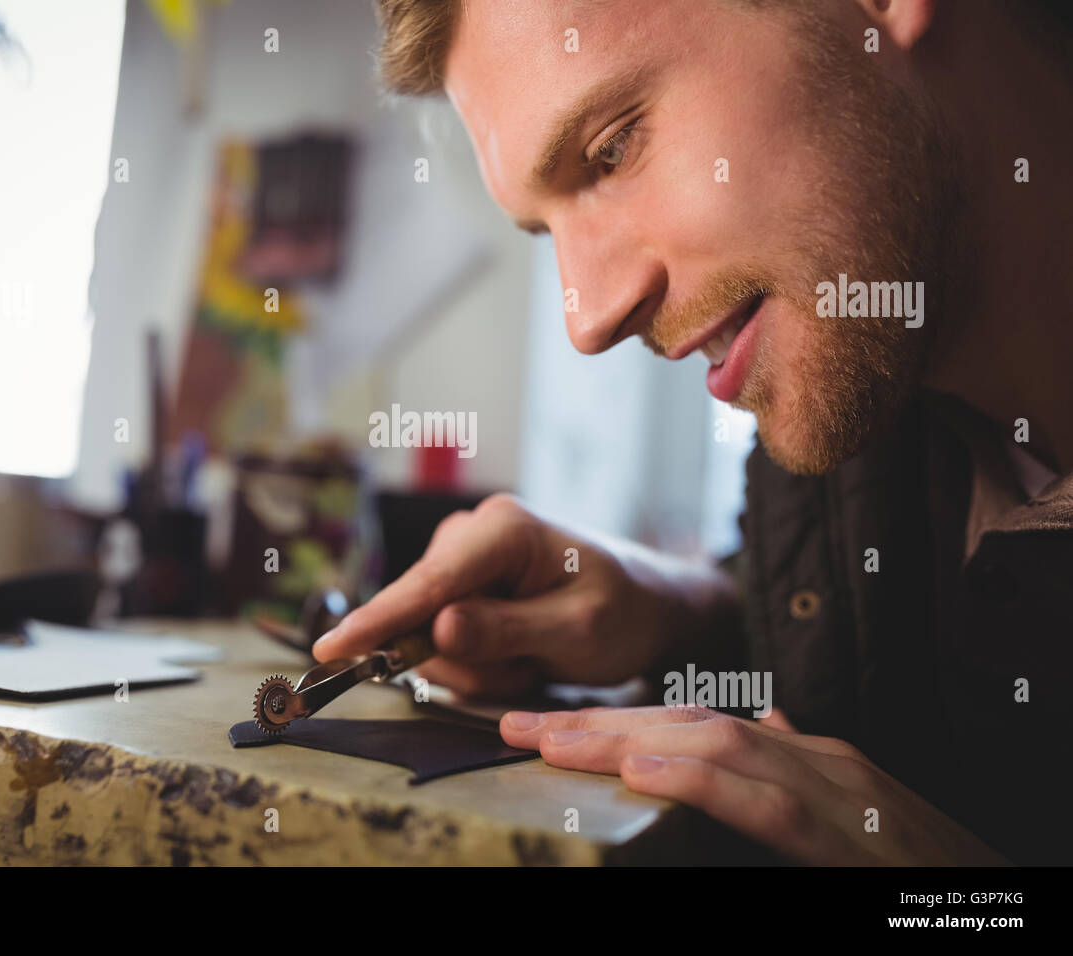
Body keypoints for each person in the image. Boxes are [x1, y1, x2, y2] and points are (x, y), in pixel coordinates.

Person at [315, 0, 1073, 864]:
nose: (589, 319)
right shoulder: (874, 416)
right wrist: (678, 612)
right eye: (544, 232)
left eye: (611, 148)